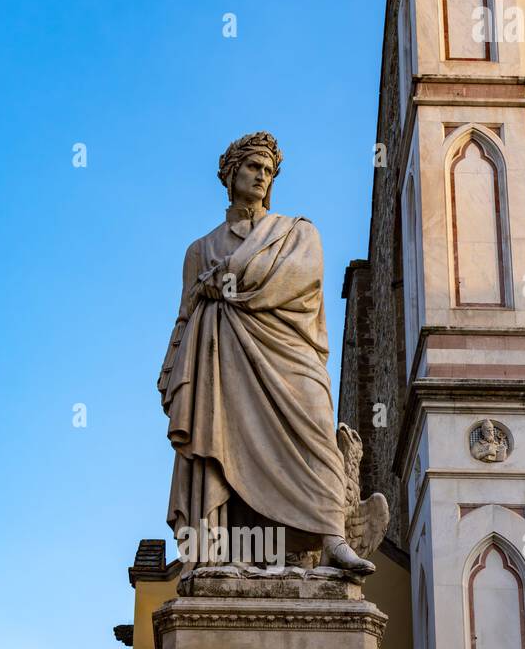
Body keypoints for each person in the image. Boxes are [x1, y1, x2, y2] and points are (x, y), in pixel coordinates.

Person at [158, 131, 374, 575]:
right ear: (231, 172)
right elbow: (185, 314)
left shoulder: (297, 233)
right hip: (222, 359)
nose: (262, 176)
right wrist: (173, 368)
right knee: (223, 440)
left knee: (316, 429)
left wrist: (231, 281)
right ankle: (223, 550)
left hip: (289, 352)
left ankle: (331, 535)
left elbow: (302, 278)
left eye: (268, 171)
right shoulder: (199, 250)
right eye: (254, 167)